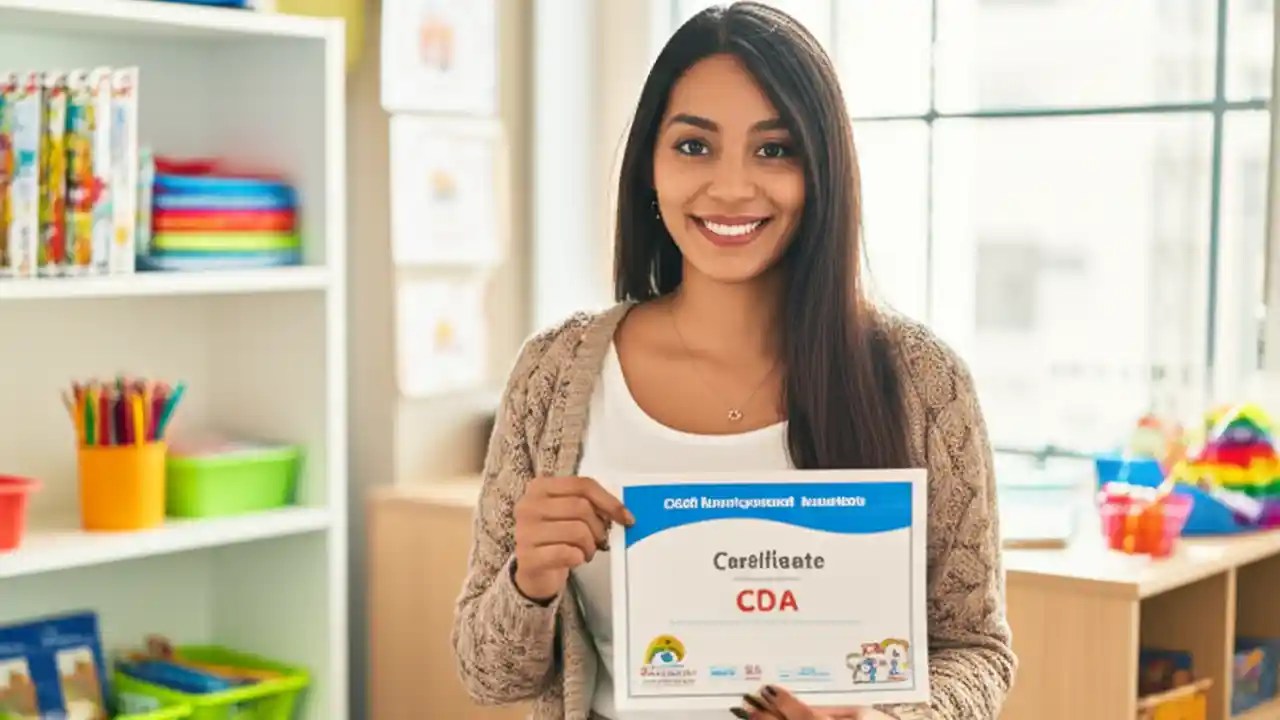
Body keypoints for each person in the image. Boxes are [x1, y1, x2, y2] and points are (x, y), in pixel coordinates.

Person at [451, 2, 1016, 718]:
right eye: (694, 146)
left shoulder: (922, 382)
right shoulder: (555, 373)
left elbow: (976, 651)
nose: (731, 187)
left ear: (822, 174)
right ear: (649, 168)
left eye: (774, 149)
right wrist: (527, 581)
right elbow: (487, 674)